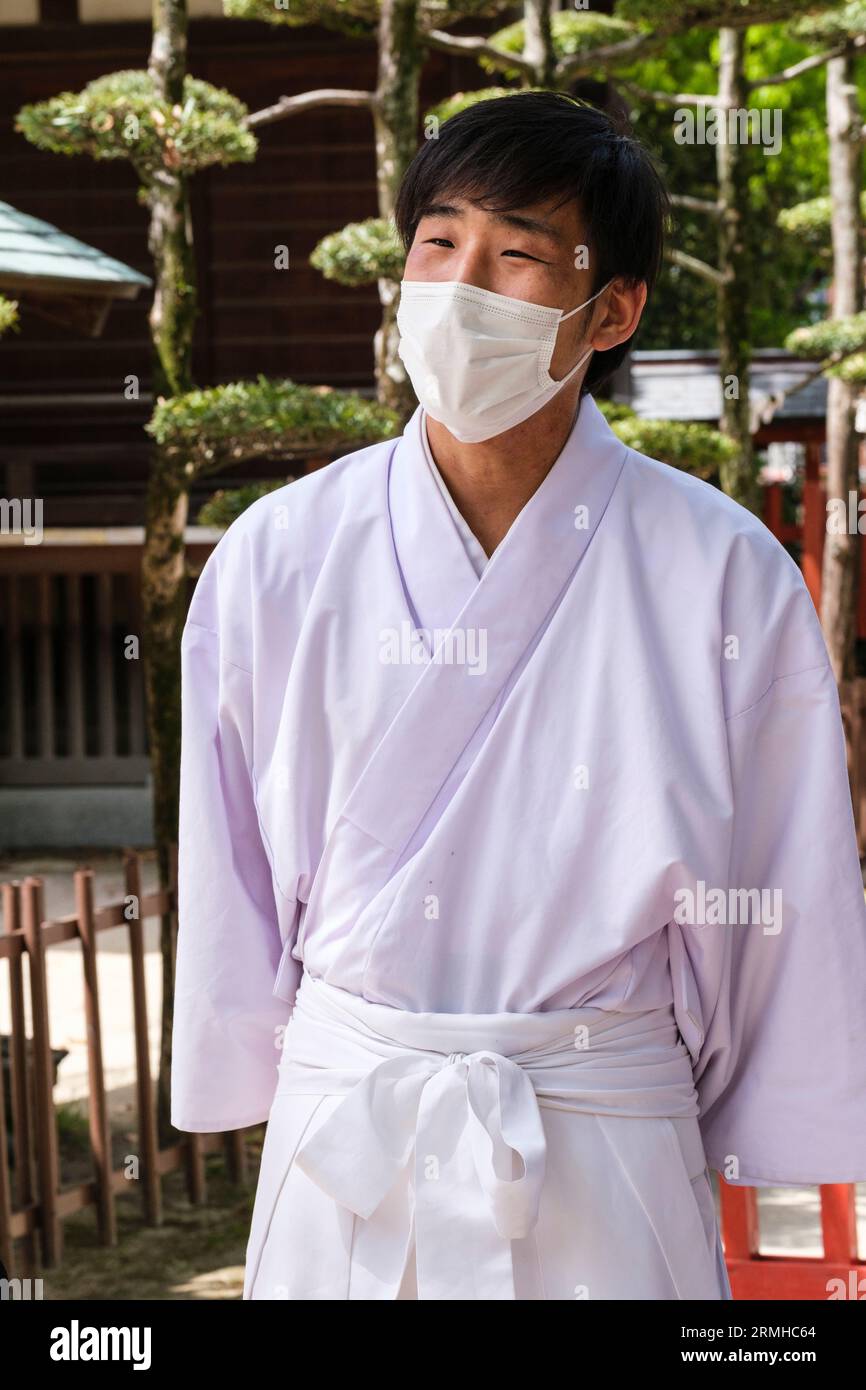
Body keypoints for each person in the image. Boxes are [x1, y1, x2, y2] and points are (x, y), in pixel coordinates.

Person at [170, 91, 866, 1301]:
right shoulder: (276, 553)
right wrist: (245, 1058)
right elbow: (226, 855)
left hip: (597, 1137)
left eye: (518, 255)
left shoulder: (716, 569)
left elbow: (782, 876)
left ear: (613, 309)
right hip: (355, 1133)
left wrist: (768, 1110)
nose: (458, 286)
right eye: (438, 243)